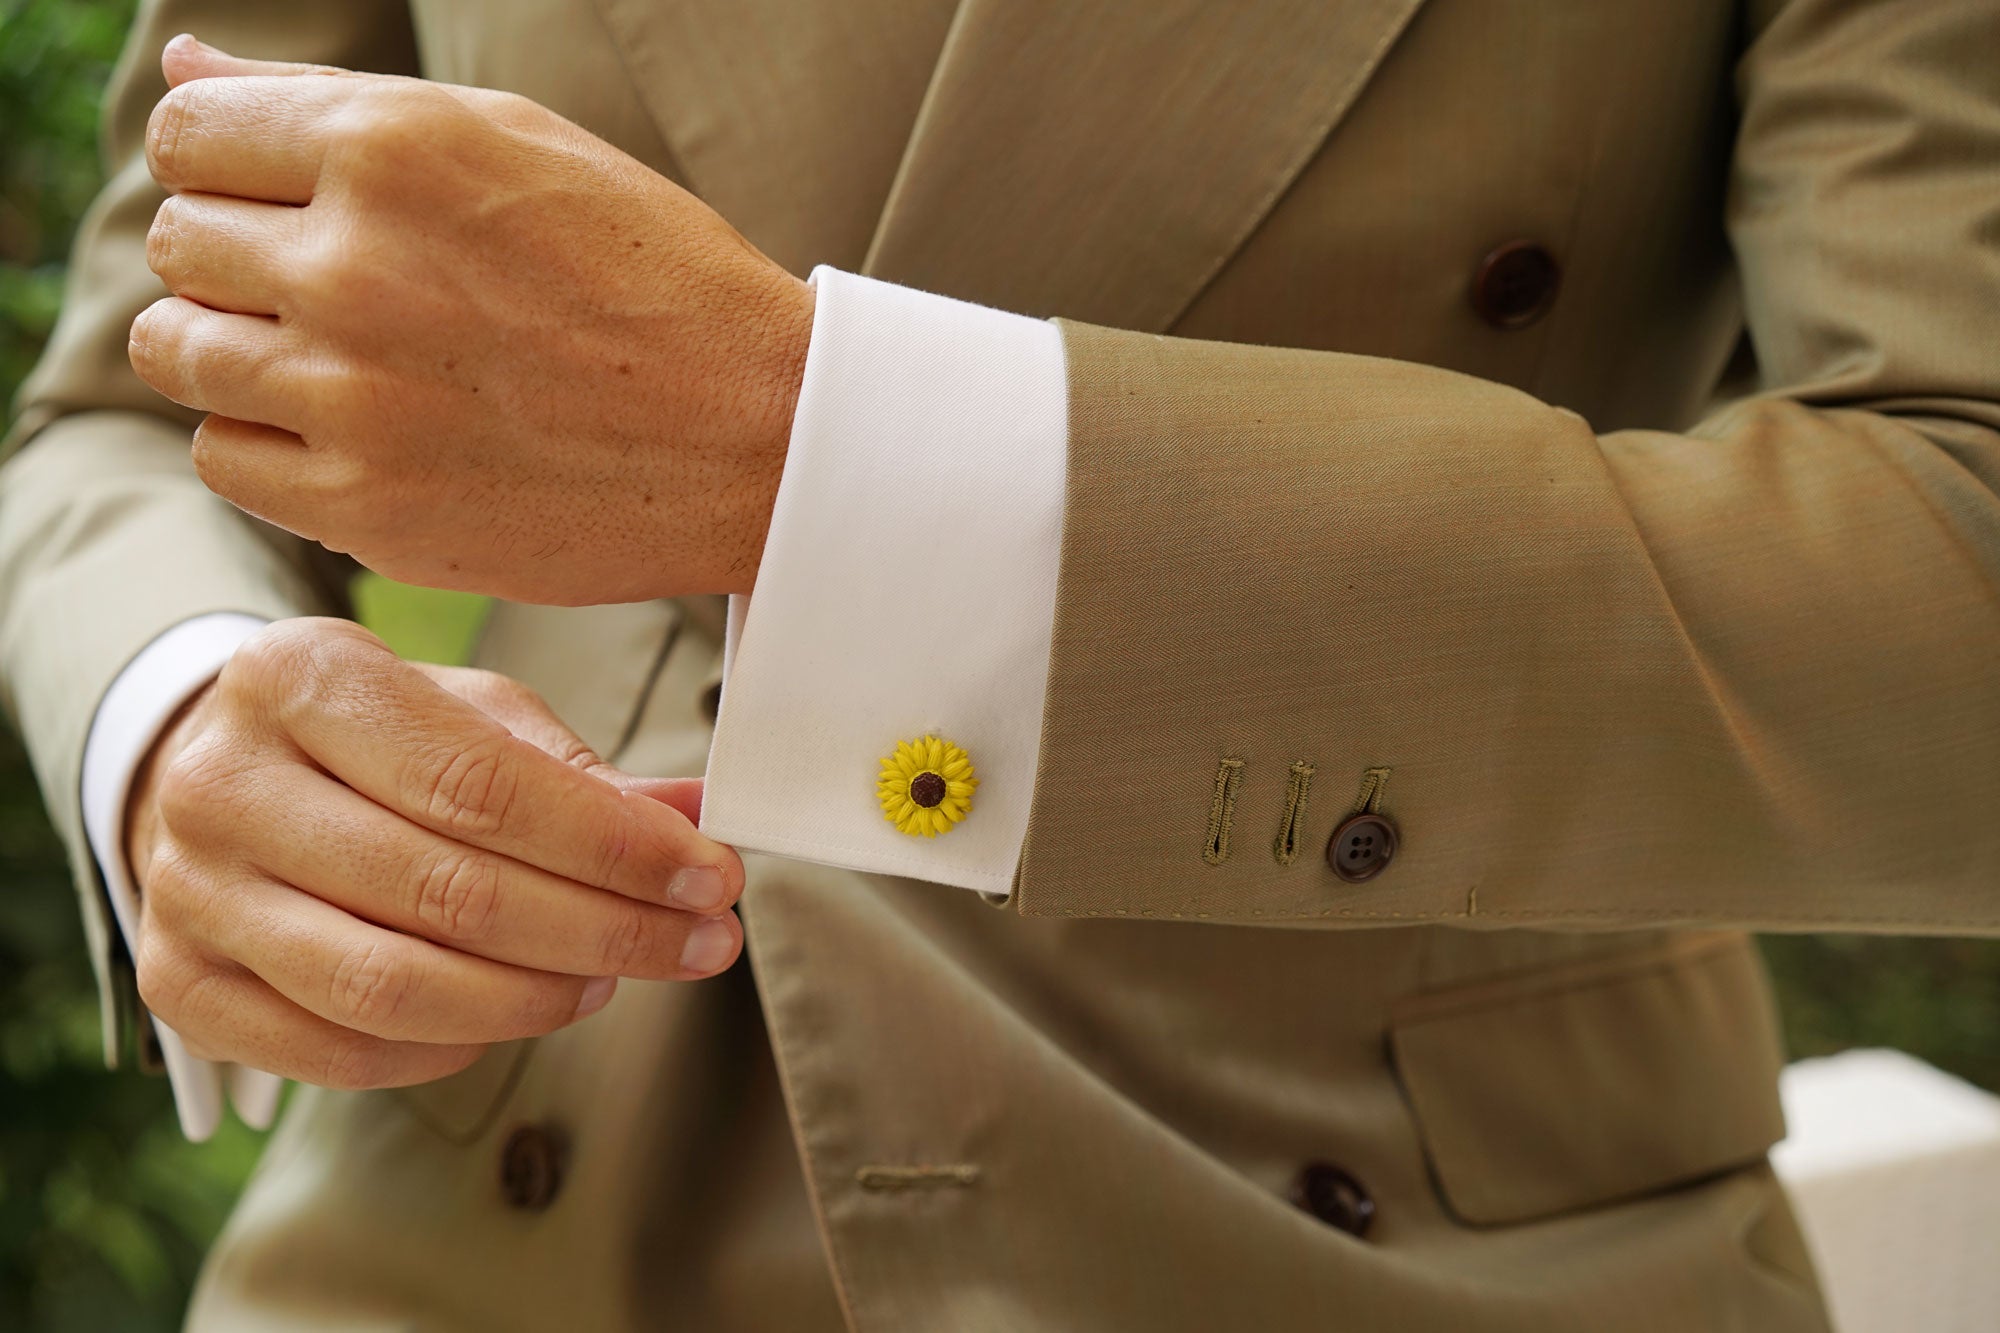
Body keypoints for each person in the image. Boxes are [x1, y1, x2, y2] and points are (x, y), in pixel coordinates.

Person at [4, 1, 1996, 1328]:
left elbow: (1957, 572)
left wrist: (820, 457)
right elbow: (123, 390)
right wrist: (179, 714)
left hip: (1374, 1239)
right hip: (475, 1217)